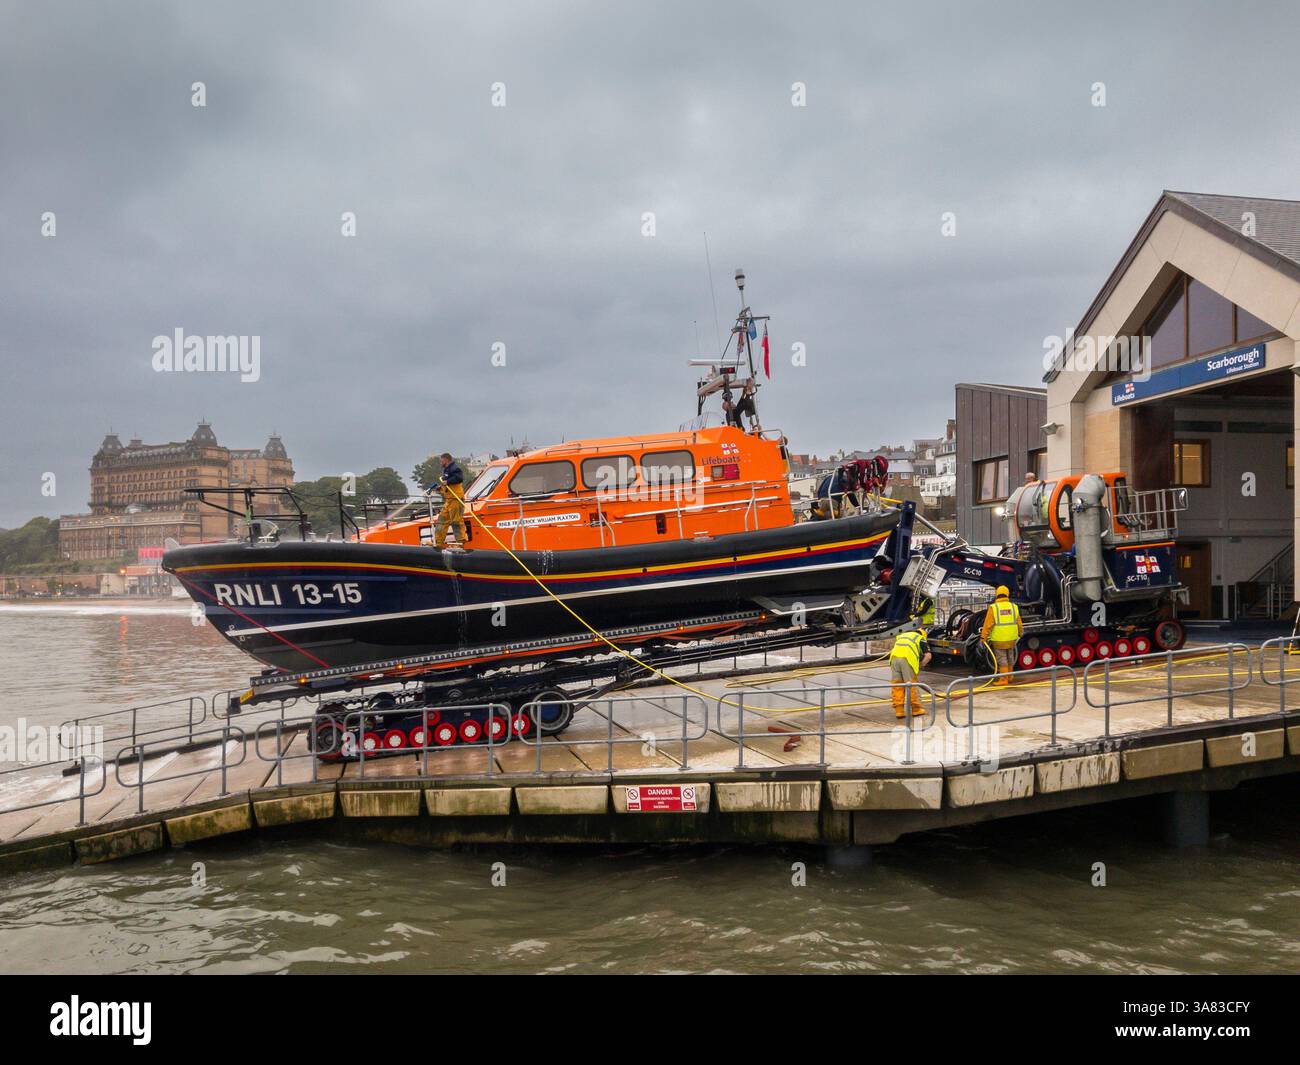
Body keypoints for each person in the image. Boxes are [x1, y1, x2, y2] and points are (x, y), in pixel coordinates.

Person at [980, 585, 1023, 685]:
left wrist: (983, 637)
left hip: (999, 639)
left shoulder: (994, 608)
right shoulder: (1014, 607)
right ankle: (1010, 676)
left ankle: (1003, 679)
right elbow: (1019, 623)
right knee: (1010, 657)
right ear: (1007, 594)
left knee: (1002, 659)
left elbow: (987, 624)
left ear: (997, 594)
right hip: (1012, 638)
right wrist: (1020, 633)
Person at [429, 452, 470, 549]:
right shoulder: (447, 470)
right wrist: (441, 487)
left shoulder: (454, 468)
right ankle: (438, 542)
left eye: (441, 460)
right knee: (441, 520)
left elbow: (459, 478)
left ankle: (461, 543)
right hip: (449, 500)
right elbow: (449, 484)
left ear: (446, 460)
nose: (440, 462)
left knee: (456, 521)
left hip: (455, 499)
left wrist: (447, 481)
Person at [889, 628, 930, 719]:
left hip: (894, 659)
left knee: (897, 685)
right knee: (911, 685)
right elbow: (928, 656)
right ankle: (916, 709)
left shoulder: (902, 635)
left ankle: (899, 711)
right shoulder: (920, 638)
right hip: (907, 659)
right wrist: (920, 665)